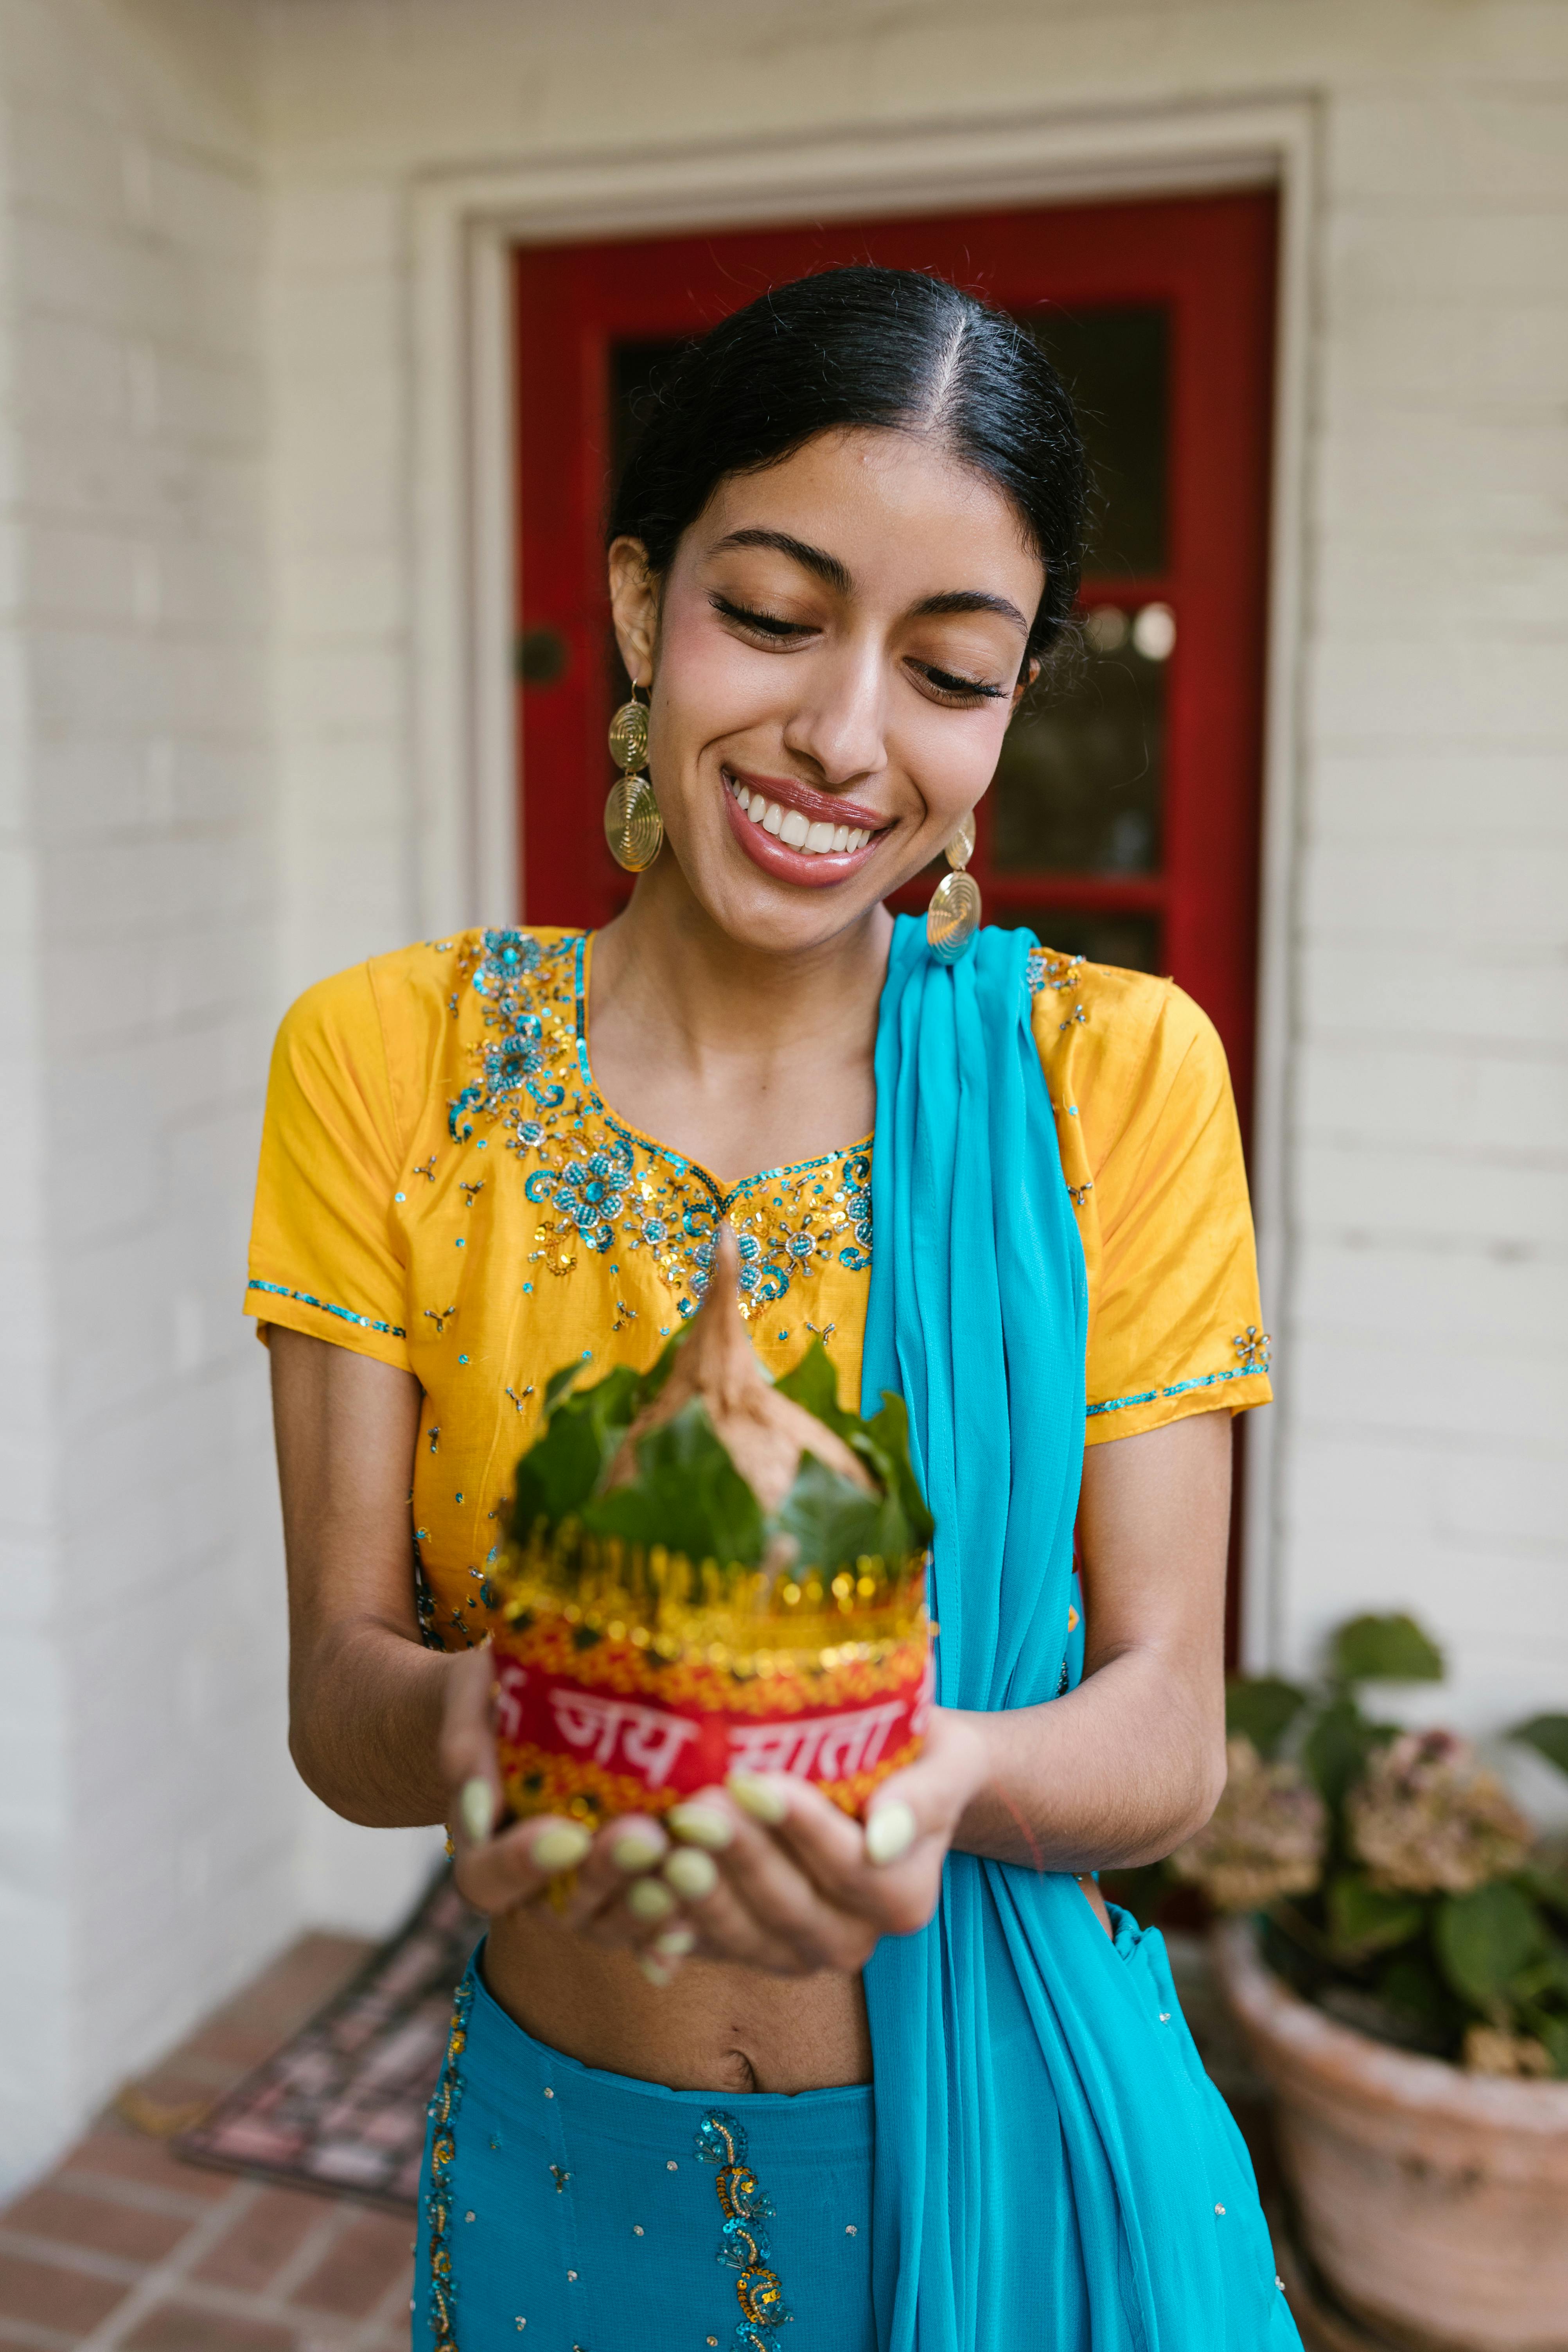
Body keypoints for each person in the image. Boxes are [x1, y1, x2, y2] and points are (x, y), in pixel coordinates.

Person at [250, 266, 1298, 2350]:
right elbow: (339, 1706)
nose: (843, 735)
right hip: (564, 2181)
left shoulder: (1107, 1081)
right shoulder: (391, 1064)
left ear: (1012, 709)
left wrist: (924, 1773)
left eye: (950, 668)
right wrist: (497, 1722)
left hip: (1014, 2153)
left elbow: (1172, 1738)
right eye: (775, 613)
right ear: (644, 605)